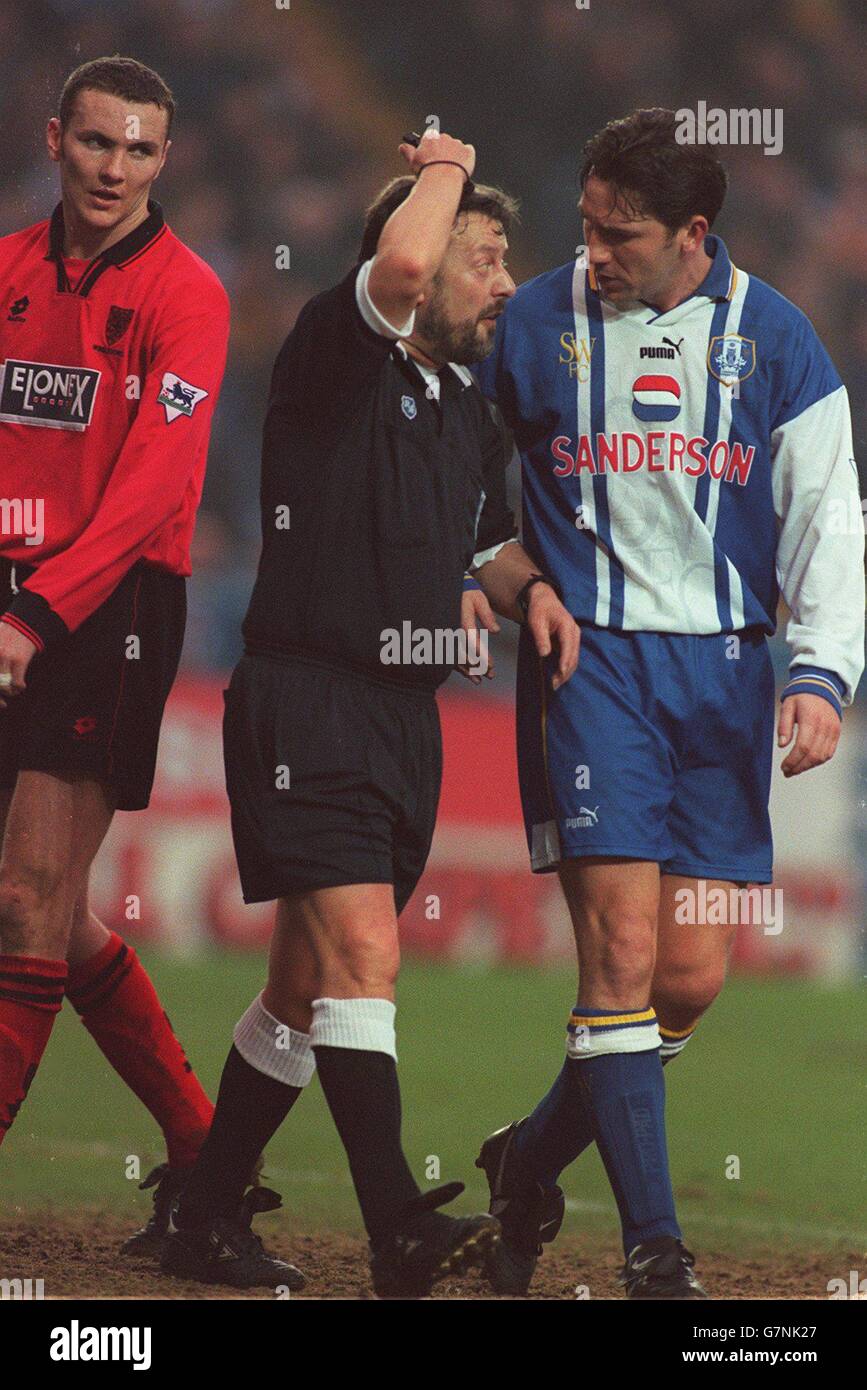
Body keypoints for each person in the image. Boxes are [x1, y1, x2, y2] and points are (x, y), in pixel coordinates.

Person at [160, 129, 580, 1298]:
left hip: (405, 718)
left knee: (305, 987)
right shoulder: (336, 353)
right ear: (422, 253)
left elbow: (483, 540)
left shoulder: (464, 401)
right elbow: (395, 273)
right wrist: (448, 160)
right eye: (481, 257)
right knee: (367, 957)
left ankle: (199, 1213)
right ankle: (396, 1223)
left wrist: (529, 588)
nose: (504, 282)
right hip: (310, 697)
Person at [468, 107, 865, 1299]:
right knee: (622, 953)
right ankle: (655, 1254)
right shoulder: (535, 320)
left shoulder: (778, 342)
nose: (595, 250)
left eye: (622, 234)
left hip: (726, 686)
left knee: (687, 978)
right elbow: (450, 459)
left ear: (694, 234)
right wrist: (500, 565)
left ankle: (527, 1160)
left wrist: (822, 673)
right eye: (587, 225)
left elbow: (829, 520)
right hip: (597, 674)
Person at [0, 56, 231, 1253]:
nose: (115, 169)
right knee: (49, 911)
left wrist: (37, 615)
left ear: (164, 160)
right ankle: (206, 1152)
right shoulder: (5, 271)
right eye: (98, 144)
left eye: (140, 151)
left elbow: (154, 489)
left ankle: (206, 1157)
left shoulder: (192, 294)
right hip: (12, 596)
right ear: (57, 139)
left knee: (28, 894)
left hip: (112, 607)